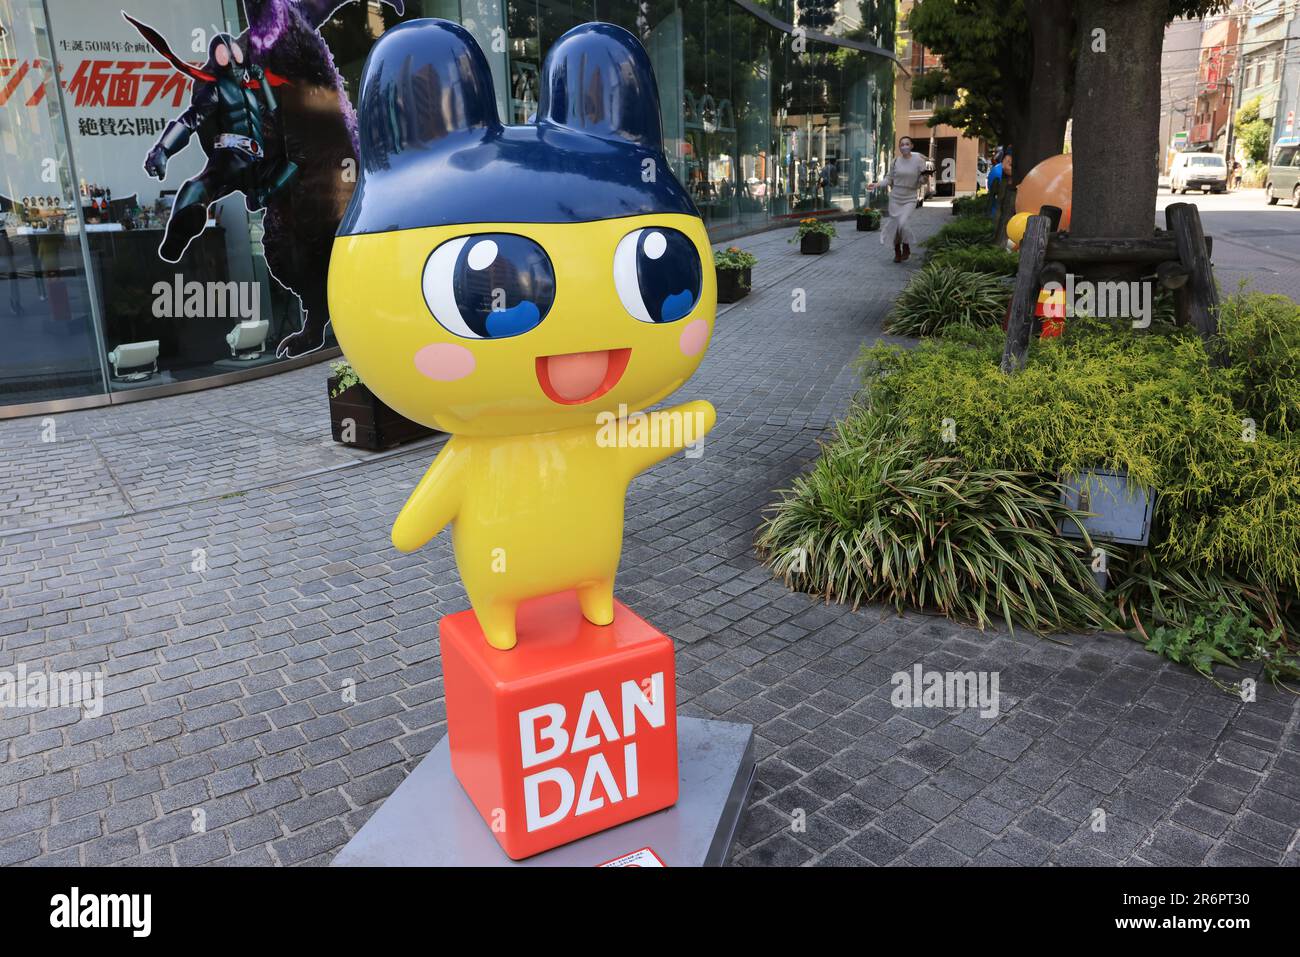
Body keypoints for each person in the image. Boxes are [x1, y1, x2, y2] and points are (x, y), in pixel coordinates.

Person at [869, 136, 930, 262]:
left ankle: (906, 246)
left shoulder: (919, 160)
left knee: (902, 223)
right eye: (901, 144)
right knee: (896, 226)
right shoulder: (895, 161)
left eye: (907, 144)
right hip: (895, 197)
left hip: (910, 197)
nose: (904, 146)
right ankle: (898, 252)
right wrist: (876, 184)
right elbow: (889, 179)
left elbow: (922, 180)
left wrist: (924, 178)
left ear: (912, 145)